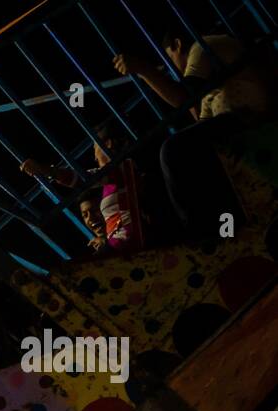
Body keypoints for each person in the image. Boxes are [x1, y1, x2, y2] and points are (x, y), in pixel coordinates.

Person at [115, 29, 275, 236]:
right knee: (185, 151)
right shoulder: (212, 86)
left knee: (173, 150)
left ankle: (198, 230)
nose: (174, 70)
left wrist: (144, 70)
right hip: (235, 118)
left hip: (246, 115)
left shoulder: (203, 45)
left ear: (177, 44)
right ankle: (217, 223)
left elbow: (183, 96)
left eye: (170, 58)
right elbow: (198, 116)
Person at [21, 123, 141, 253]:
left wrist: (46, 170)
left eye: (95, 149)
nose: (95, 157)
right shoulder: (116, 178)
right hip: (123, 244)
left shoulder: (121, 167)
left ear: (108, 144)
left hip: (127, 243)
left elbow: (82, 179)